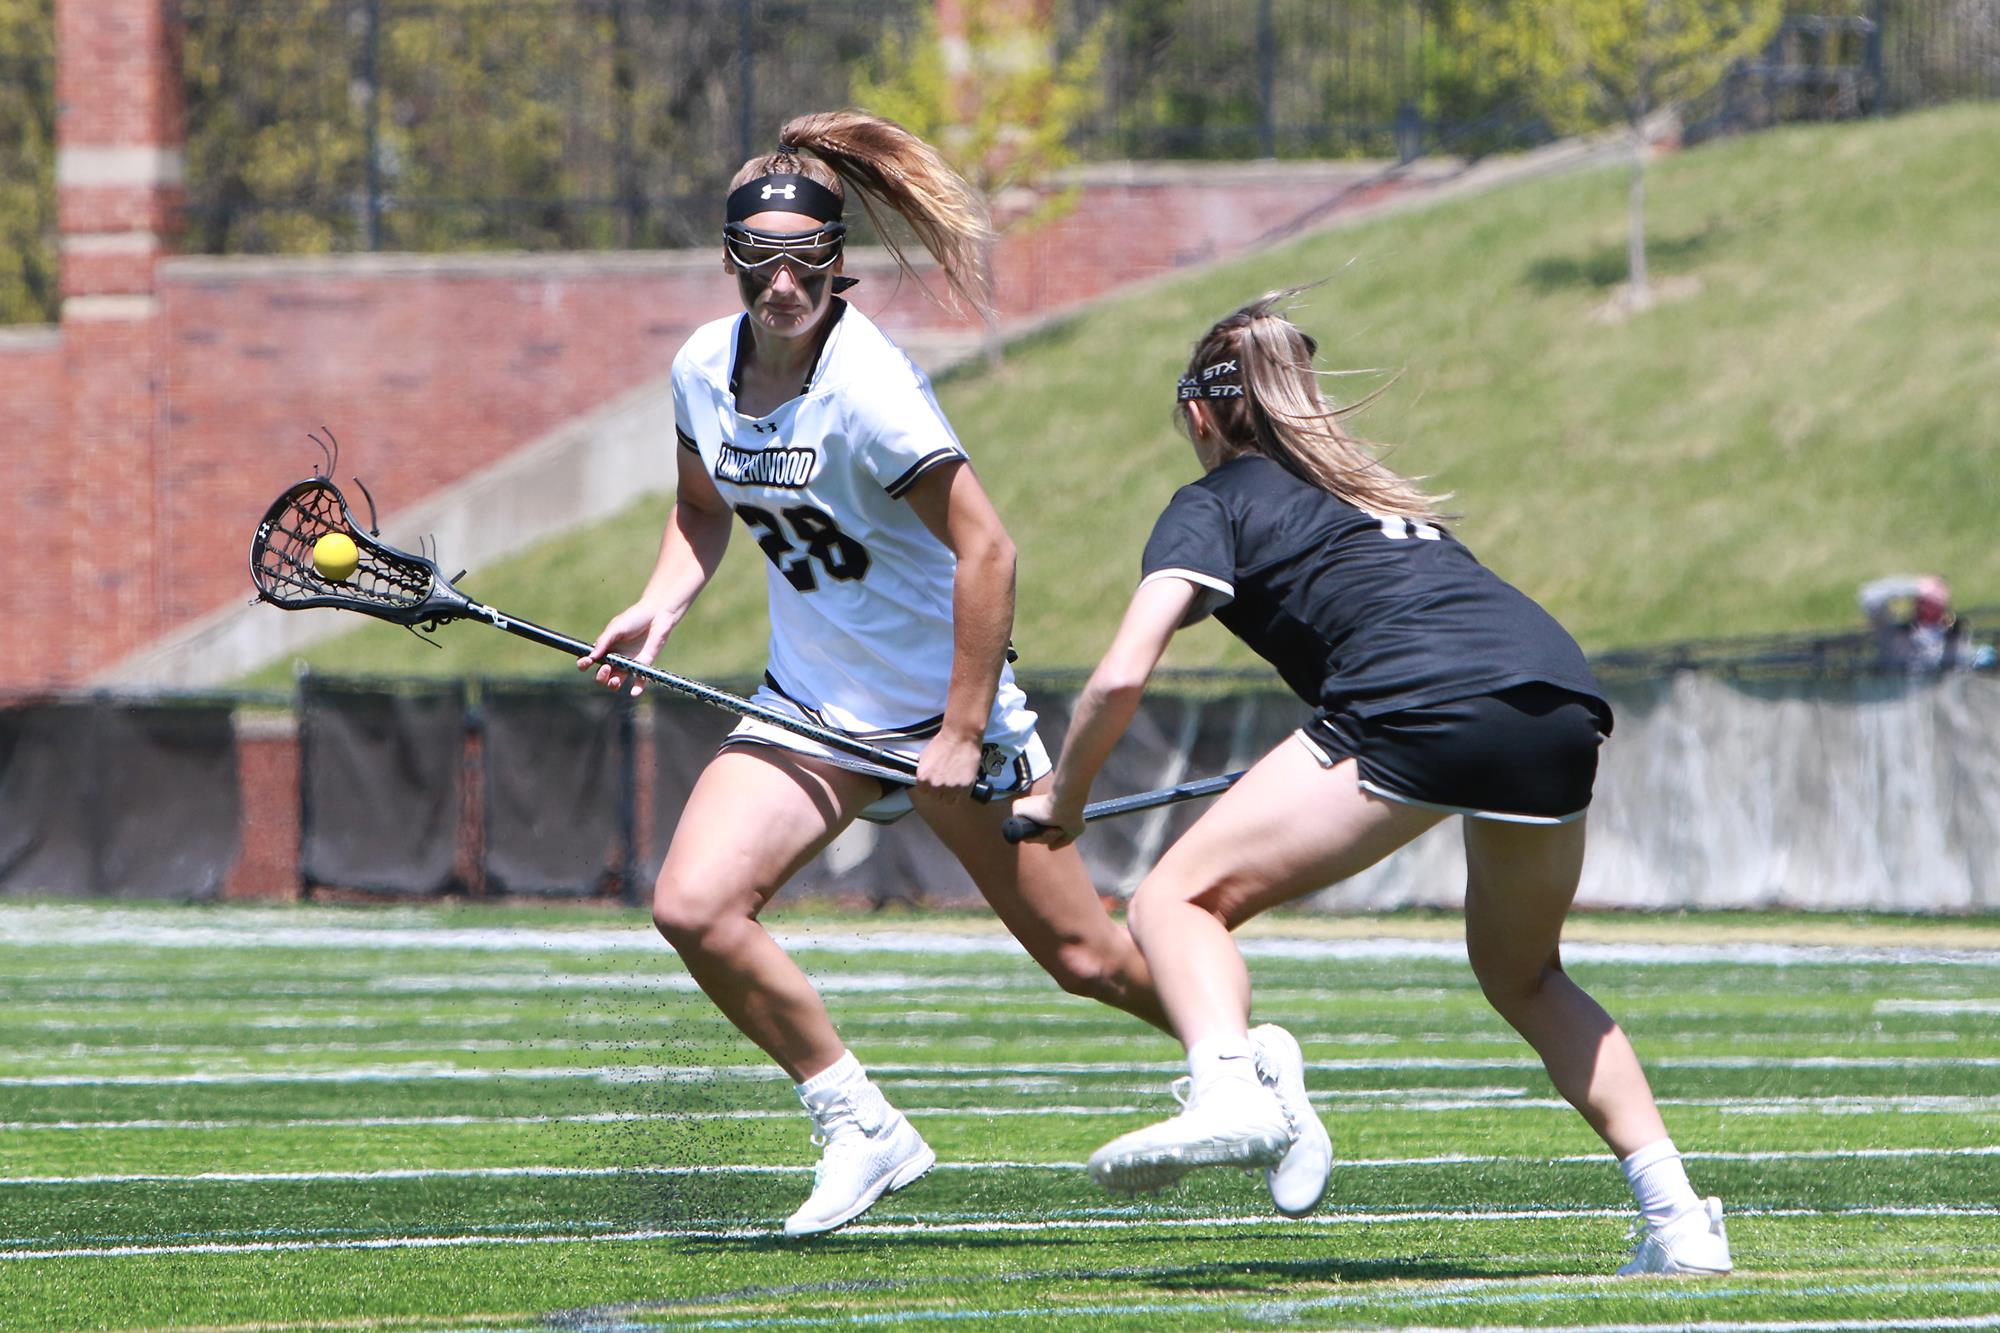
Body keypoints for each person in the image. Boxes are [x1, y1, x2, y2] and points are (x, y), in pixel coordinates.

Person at [577, 114, 1323, 1236]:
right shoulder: (700, 368)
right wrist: (659, 602)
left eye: (806, 260)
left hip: (942, 715)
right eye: (758, 260)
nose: (781, 284)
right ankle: (858, 1121)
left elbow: (989, 552)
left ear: (838, 260)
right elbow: (699, 508)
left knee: (1088, 960)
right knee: (692, 904)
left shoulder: (869, 389)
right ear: (728, 256)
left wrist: (962, 731)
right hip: (810, 709)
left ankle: (1248, 1063)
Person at [1010, 289, 1734, 1277]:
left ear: (1196, 415)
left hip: (1414, 702)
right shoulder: (1380, 502)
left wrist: (1063, 798)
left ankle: (1229, 1087)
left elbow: (1122, 671)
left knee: (1174, 899)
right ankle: (1680, 1222)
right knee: (1525, 974)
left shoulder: (1209, 503)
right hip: (1555, 698)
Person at [1858, 574, 1983, 672]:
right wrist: (1914, 587)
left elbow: (1968, 663)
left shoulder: (1954, 634)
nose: (1931, 602)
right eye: (1928, 597)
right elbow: (1869, 597)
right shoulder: (1896, 634)